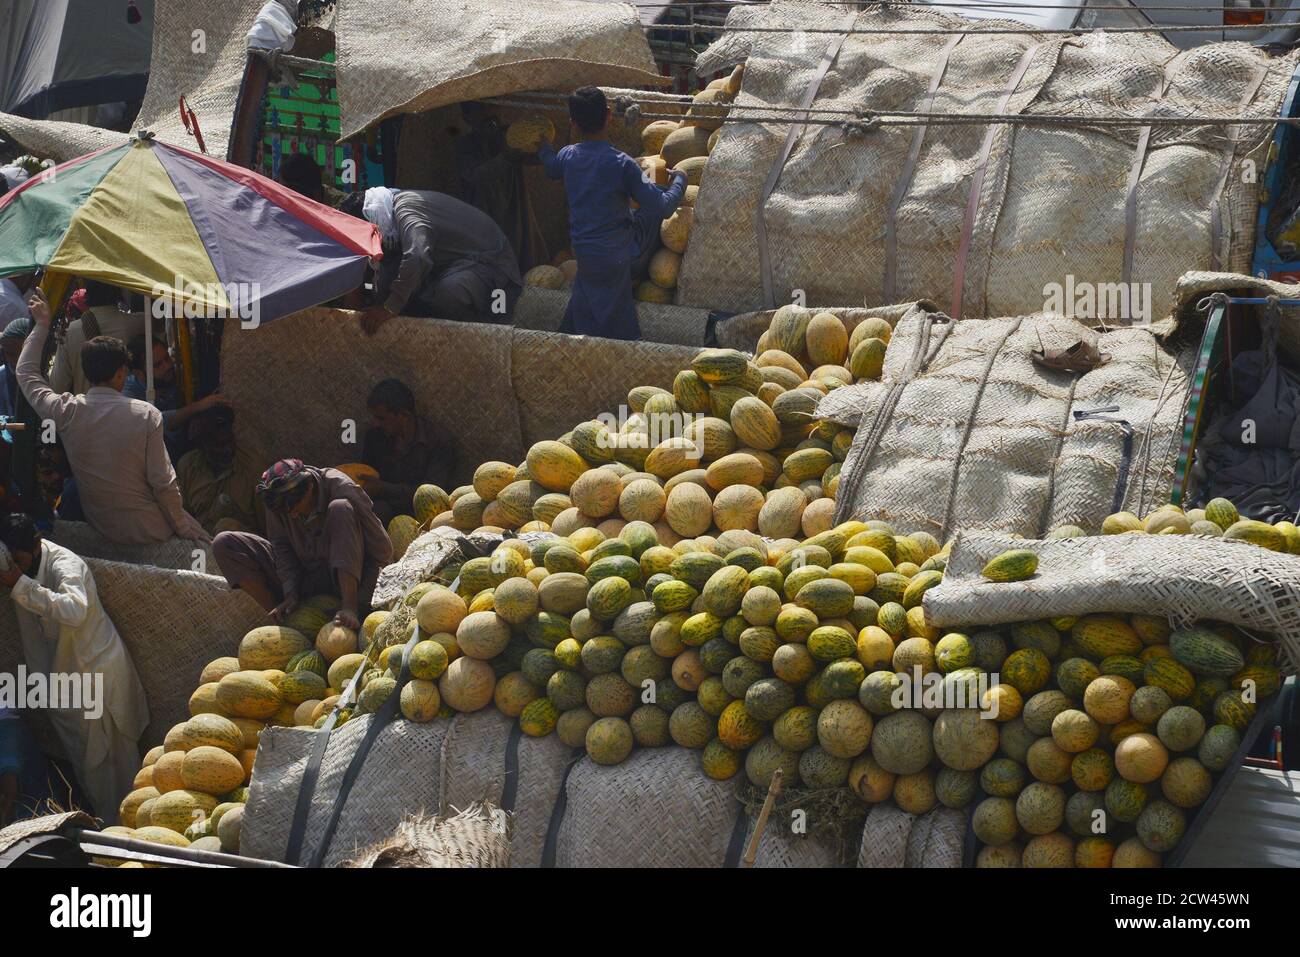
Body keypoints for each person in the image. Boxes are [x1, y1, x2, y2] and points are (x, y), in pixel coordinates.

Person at [17, 289, 209, 545]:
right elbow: (164, 484)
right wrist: (184, 527)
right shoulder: (146, 416)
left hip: (103, 526)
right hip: (151, 531)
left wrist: (41, 325)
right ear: (121, 373)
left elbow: (26, 373)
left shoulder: (66, 411)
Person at [0, 512, 149, 825]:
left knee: (116, 762)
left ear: (37, 544)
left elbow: (75, 610)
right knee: (89, 766)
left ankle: (130, 828)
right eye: (10, 560)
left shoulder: (64, 565)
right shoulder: (19, 572)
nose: (16, 565)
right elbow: (33, 638)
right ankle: (109, 827)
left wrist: (21, 584)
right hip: (67, 684)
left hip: (96, 671)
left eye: (19, 558)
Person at [538, 86, 687, 341]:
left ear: (573, 124)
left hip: (584, 254)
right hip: (620, 259)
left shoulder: (567, 156)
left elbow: (551, 167)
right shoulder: (623, 163)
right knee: (654, 204)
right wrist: (680, 181)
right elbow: (663, 207)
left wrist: (542, 145)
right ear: (608, 114)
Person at [212, 459, 393, 631]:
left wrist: (360, 605)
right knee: (224, 543)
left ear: (310, 488)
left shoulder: (340, 487)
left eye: (297, 509)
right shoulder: (277, 500)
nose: (292, 516)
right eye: (286, 512)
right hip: (306, 578)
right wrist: (290, 592)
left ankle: (348, 607)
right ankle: (285, 623)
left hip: (350, 579)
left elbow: (382, 551)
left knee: (340, 508)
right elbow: (281, 547)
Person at [339, 187, 523, 334]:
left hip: (487, 260)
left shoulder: (407, 210)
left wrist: (389, 308)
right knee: (384, 290)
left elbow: (417, 256)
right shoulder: (388, 226)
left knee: (448, 293)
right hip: (443, 266)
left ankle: (477, 329)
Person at [454, 101, 550, 271]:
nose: (489, 113)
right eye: (481, 109)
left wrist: (539, 141)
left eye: (493, 107)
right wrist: (506, 156)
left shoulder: (507, 135)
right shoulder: (465, 145)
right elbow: (475, 176)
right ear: (467, 118)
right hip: (483, 212)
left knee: (519, 255)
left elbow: (534, 158)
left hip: (514, 209)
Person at [360, 378, 456, 523]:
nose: (375, 423)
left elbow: (432, 493)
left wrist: (383, 488)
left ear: (404, 416)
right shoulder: (375, 437)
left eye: (381, 418)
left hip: (421, 512)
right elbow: (366, 476)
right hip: (385, 507)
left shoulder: (439, 441)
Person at [124, 334, 231, 460]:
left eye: (167, 359)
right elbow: (155, 422)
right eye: (158, 365)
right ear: (139, 374)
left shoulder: (179, 374)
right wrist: (198, 406)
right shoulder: (129, 394)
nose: (168, 366)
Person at [176, 407, 264, 536]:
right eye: (219, 445)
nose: (228, 450)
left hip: (241, 544)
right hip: (200, 541)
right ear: (203, 446)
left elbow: (267, 528)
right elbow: (183, 516)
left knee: (225, 526)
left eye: (229, 441)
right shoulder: (188, 466)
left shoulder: (253, 467)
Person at [48, 281, 146, 396]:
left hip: (85, 409)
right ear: (120, 292)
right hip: (124, 408)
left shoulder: (70, 331)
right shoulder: (137, 324)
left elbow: (58, 386)